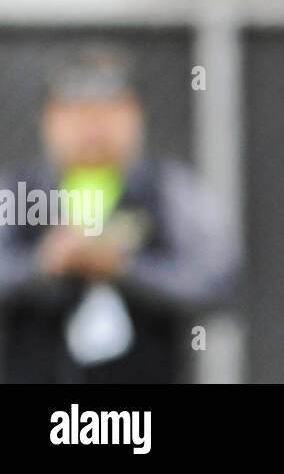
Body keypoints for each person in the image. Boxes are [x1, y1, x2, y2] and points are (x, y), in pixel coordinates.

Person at [0, 45, 237, 383]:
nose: (93, 128)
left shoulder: (168, 192)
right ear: (50, 119)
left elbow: (218, 282)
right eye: (79, 113)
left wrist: (125, 267)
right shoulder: (18, 192)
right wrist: (44, 263)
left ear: (134, 116)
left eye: (107, 112)